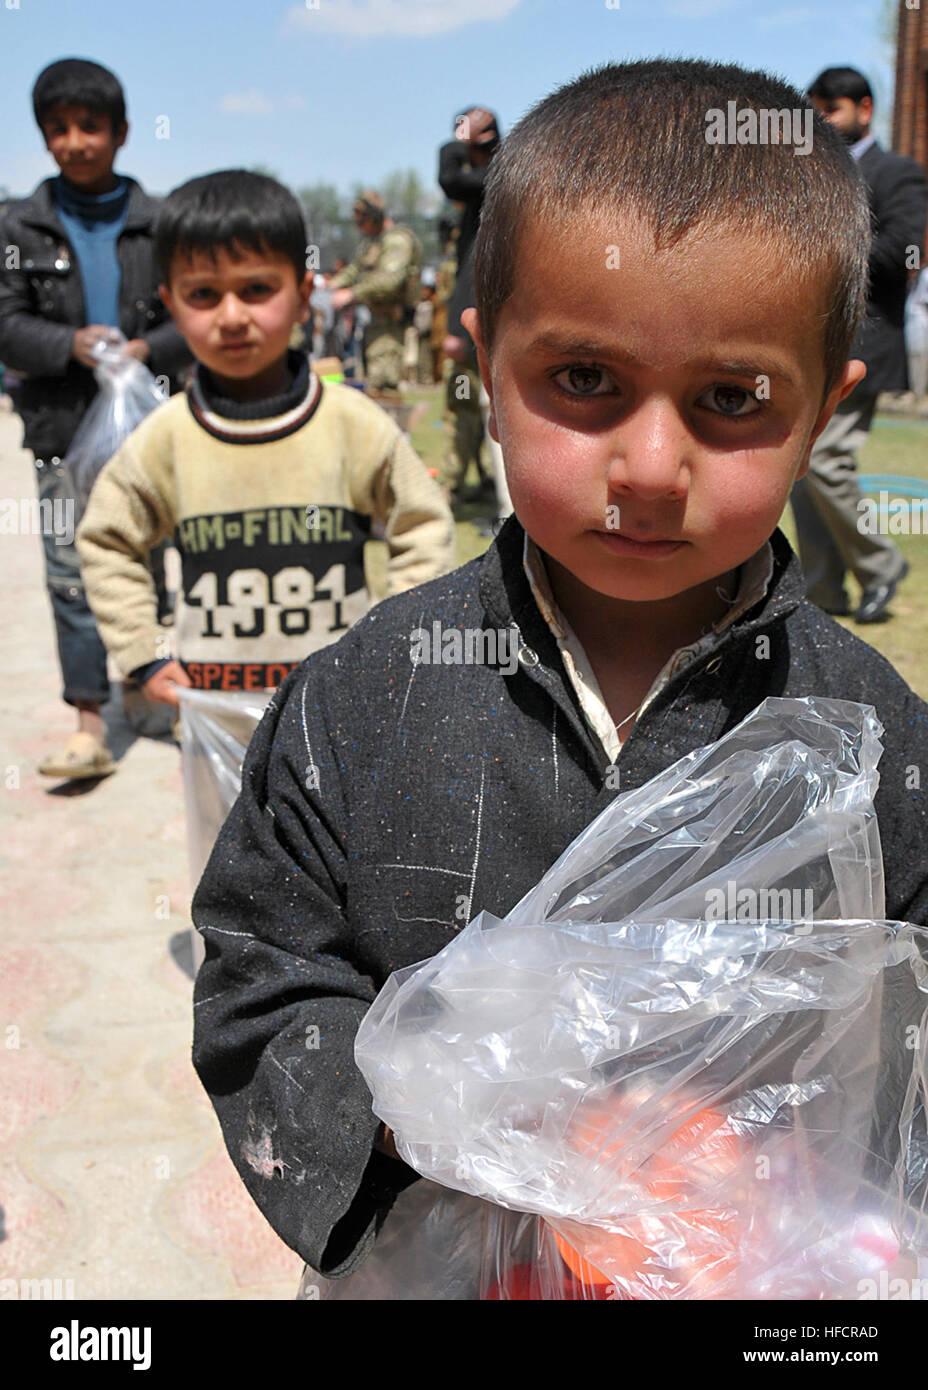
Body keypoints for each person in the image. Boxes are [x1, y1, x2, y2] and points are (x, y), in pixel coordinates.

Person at [190, 60, 928, 1288]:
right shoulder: (363, 701)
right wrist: (430, 1108)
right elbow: (262, 976)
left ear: (820, 412)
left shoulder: (870, 742)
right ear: (485, 365)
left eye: (730, 398)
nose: (649, 464)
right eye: (584, 381)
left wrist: (767, 1176)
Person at [76, 170, 454, 703]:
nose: (232, 317)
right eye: (204, 294)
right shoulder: (164, 438)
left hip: (336, 718)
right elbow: (106, 540)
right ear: (172, 305)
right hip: (214, 714)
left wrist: (392, 648)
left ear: (303, 297)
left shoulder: (355, 424)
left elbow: (423, 527)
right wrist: (146, 652)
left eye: (256, 289)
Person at [0, 57, 189, 780]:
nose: (76, 142)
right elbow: (6, 324)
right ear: (45, 136)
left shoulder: (160, 223)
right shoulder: (19, 225)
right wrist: (69, 345)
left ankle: (152, 690)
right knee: (69, 570)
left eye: (91, 127)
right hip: (60, 433)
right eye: (59, 129)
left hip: (150, 427)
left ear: (122, 133)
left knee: (153, 560)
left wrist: (147, 347)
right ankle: (88, 721)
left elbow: (192, 311)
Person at [790, 67, 928, 623]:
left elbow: (903, 252)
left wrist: (822, 239)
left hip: (868, 345)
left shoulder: (898, 173)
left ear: (865, 109)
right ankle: (822, 594)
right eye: (815, 109)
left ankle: (880, 564)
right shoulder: (808, 174)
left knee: (824, 459)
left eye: (834, 108)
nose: (823, 120)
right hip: (809, 344)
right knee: (801, 465)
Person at [329, 192, 421, 394]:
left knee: (383, 385)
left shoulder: (397, 240)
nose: (360, 227)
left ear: (375, 217)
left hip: (390, 325)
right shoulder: (372, 242)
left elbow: (390, 281)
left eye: (363, 221)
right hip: (375, 322)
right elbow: (354, 270)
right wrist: (330, 286)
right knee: (373, 382)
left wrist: (352, 294)